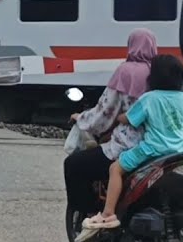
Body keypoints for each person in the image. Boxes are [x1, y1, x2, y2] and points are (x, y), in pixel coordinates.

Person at [83, 54, 183, 231]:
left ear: (154, 76)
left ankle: (107, 214)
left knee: (115, 169)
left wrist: (119, 117)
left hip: (153, 150)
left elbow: (130, 119)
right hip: (182, 151)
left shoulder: (149, 98)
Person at [64, 29, 157, 218]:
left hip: (127, 145)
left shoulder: (125, 71)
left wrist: (81, 118)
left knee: (74, 165)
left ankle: (90, 216)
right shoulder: (157, 71)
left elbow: (105, 111)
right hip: (159, 145)